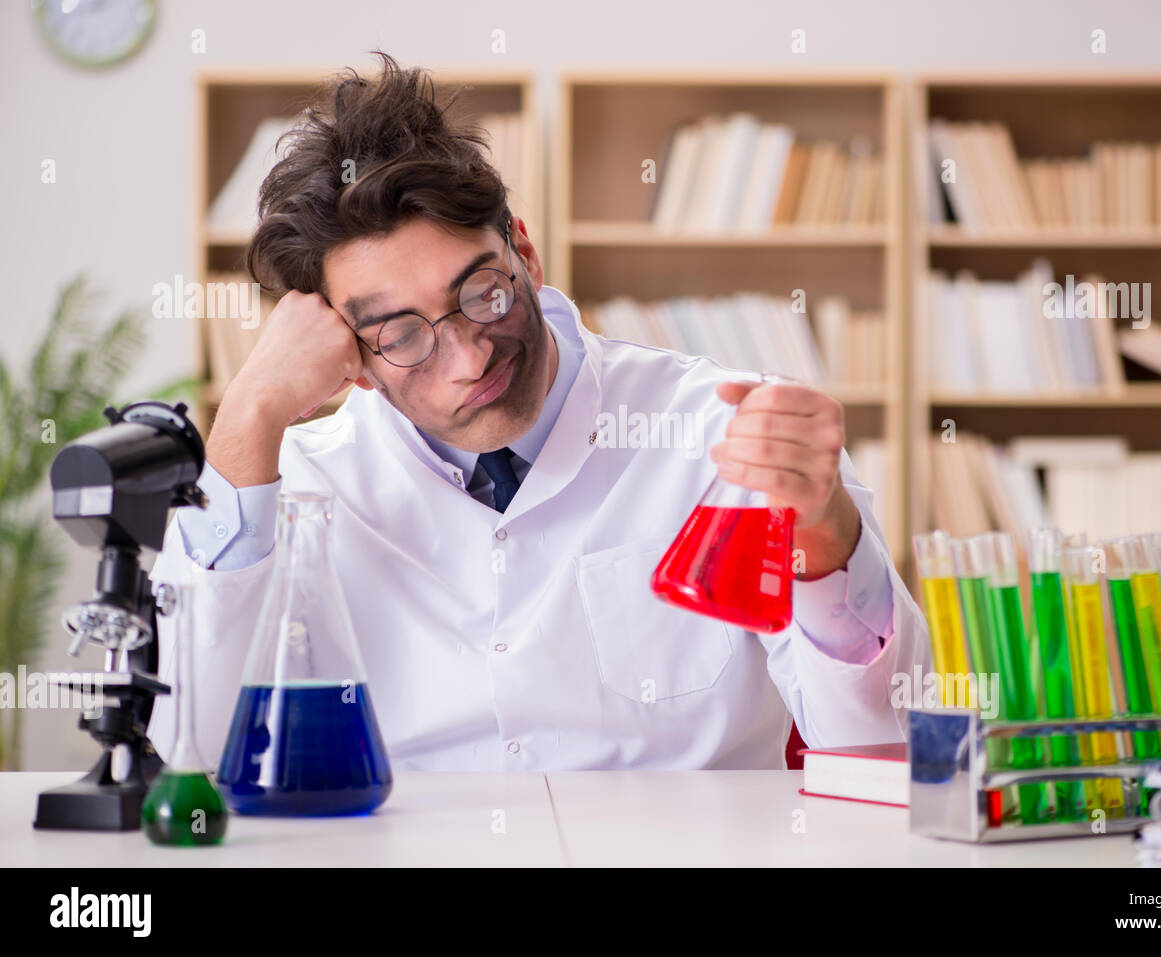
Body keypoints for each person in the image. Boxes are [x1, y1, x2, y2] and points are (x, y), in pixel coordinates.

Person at [147, 52, 930, 772]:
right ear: (349, 357)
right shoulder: (298, 484)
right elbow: (187, 748)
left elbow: (879, 745)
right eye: (402, 335)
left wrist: (826, 542)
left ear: (523, 249)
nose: (469, 357)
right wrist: (247, 414)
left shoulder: (729, 431)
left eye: (482, 292)